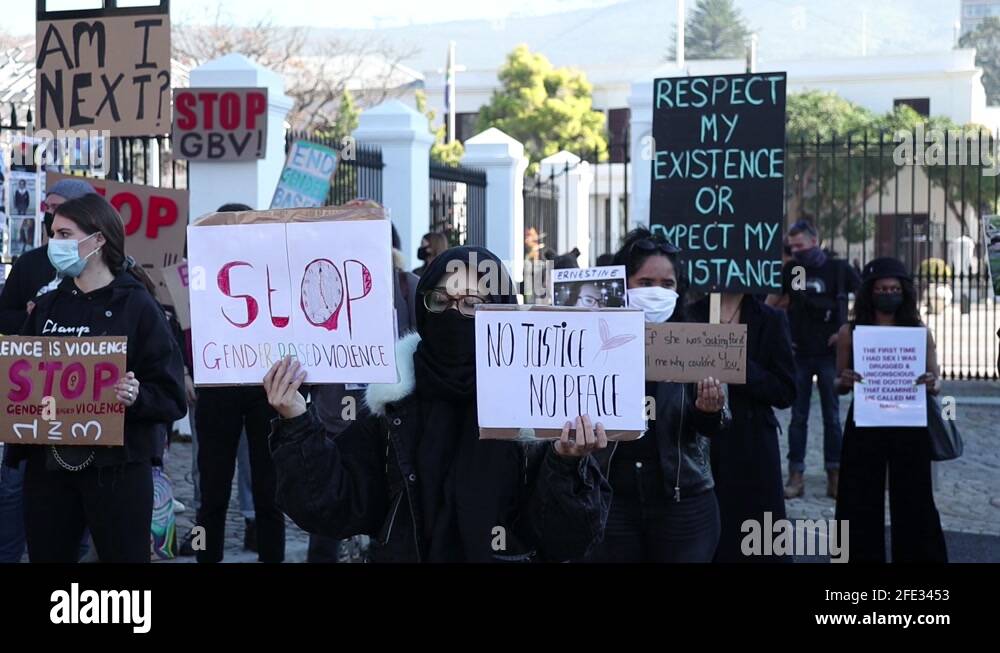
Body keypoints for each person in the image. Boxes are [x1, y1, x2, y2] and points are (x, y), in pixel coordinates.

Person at [266, 246, 611, 562]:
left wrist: (566, 465)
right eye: (440, 300)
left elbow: (567, 539)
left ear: (501, 310)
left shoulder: (536, 406)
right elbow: (333, 504)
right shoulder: (392, 404)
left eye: (473, 304)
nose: (453, 313)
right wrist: (296, 420)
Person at [4, 193, 186, 563]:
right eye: (53, 233)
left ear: (98, 239)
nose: (54, 244)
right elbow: (18, 379)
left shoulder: (137, 306)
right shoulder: (48, 306)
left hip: (117, 471)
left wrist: (137, 396)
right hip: (49, 470)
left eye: (65, 234)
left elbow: (172, 396)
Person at [583, 229, 728, 563]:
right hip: (611, 499)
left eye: (667, 285)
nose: (656, 293)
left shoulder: (698, 342)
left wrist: (708, 410)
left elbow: (719, 421)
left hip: (682, 502)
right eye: (645, 283)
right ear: (622, 285)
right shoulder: (592, 340)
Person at [305, 222, 419, 563]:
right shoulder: (320, 282)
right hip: (332, 413)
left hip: (387, 423)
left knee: (382, 508)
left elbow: (422, 346)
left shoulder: (406, 286)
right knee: (327, 506)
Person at [0, 178, 97, 564]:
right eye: (47, 212)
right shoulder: (30, 263)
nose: (49, 218)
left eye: (58, 212)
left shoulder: (112, 272)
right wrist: (26, 314)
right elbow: (3, 314)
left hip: (83, 405)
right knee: (13, 487)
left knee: (76, 491)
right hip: (33, 402)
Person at [834, 257, 947, 563]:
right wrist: (843, 380)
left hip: (908, 421)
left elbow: (936, 381)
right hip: (865, 420)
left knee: (915, 498)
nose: (888, 293)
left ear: (905, 291)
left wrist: (930, 382)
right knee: (857, 498)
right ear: (870, 292)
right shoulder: (850, 332)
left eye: (894, 288)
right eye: (882, 288)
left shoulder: (919, 332)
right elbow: (838, 384)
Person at [191, 204, 286, 564]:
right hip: (218, 385)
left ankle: (271, 558)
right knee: (213, 490)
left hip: (264, 385)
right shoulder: (201, 268)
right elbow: (188, 322)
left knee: (268, 487)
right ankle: (206, 558)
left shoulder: (272, 269)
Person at [691, 290, 796, 563]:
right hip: (699, 445)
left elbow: (785, 391)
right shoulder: (688, 314)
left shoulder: (771, 319)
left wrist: (734, 364)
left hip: (753, 447)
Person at [768, 220, 860, 499]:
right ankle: (796, 475)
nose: (796, 251)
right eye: (791, 246)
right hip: (799, 353)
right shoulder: (792, 270)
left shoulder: (838, 269)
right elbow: (773, 300)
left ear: (815, 240)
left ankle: (835, 474)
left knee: (832, 417)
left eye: (800, 245)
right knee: (798, 417)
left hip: (831, 354)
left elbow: (866, 300)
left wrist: (845, 332)